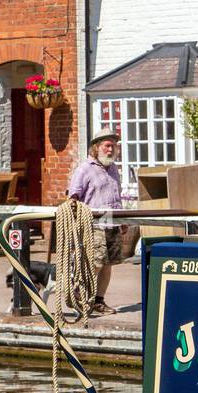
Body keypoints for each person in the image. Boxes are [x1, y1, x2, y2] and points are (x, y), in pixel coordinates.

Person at [68, 128, 127, 315]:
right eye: (107, 146)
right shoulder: (85, 168)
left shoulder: (113, 169)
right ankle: (78, 294)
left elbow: (116, 197)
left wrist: (123, 219)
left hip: (112, 222)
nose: (111, 150)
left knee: (108, 264)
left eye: (114, 146)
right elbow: (73, 197)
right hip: (93, 223)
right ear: (96, 147)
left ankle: (98, 301)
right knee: (96, 262)